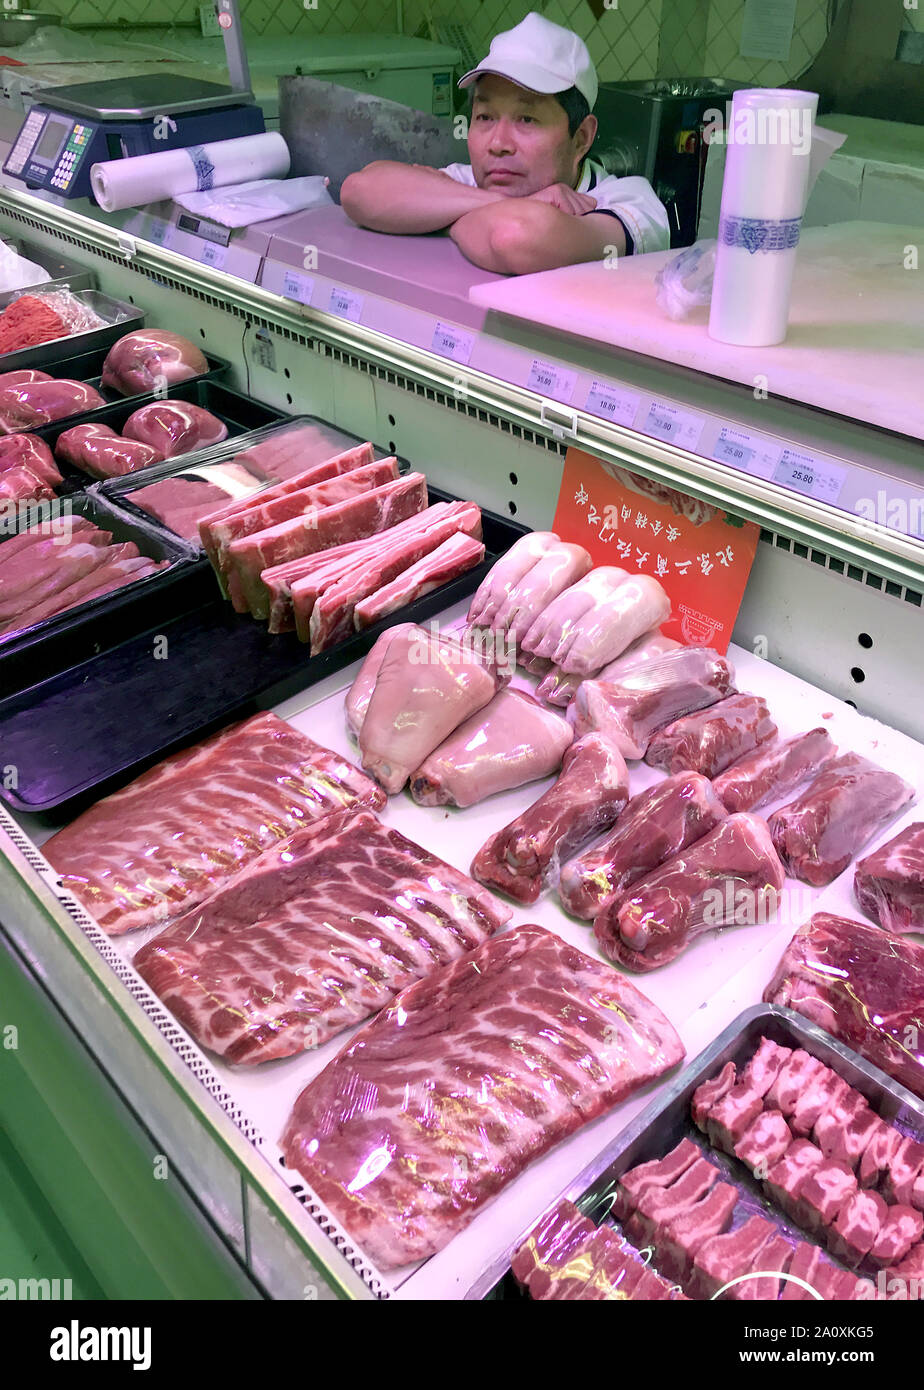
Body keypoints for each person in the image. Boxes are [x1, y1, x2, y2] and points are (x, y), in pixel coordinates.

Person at [340, 12, 670, 276]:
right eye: (485, 117)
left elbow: (516, 239)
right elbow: (359, 190)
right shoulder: (474, 181)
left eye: (527, 119)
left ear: (581, 137)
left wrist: (437, 216)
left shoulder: (630, 202)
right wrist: (489, 203)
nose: (498, 144)